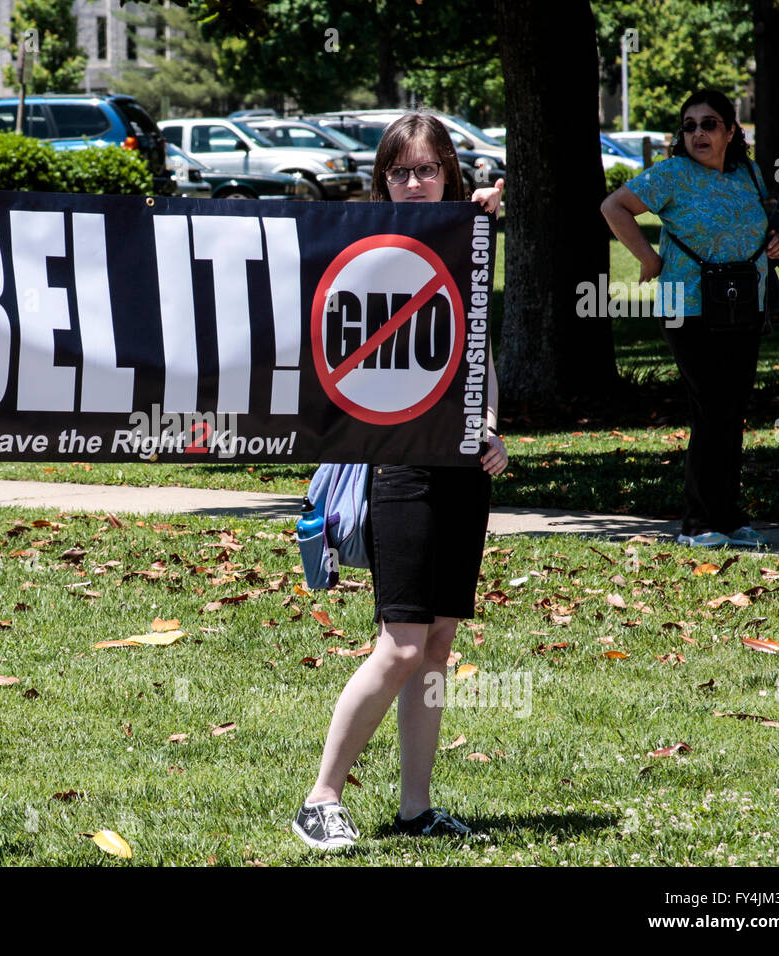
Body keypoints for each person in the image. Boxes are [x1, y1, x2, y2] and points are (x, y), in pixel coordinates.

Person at [293, 113, 508, 851]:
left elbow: (479, 350)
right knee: (402, 645)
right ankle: (320, 798)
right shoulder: (363, 247)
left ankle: (415, 807)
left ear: (450, 171)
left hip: (462, 468)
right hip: (398, 465)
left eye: (428, 170)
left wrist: (492, 431)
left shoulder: (467, 245)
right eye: (400, 171)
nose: (415, 183)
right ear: (382, 179)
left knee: (440, 644)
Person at [602, 90, 779, 549]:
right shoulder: (670, 175)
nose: (699, 133)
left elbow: (763, 225)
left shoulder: (750, 173)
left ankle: (729, 516)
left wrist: (778, 242)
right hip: (686, 308)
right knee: (712, 408)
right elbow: (613, 207)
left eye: (709, 124)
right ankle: (698, 522)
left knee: (732, 408)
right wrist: (647, 257)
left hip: (744, 305)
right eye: (689, 126)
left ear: (730, 131)